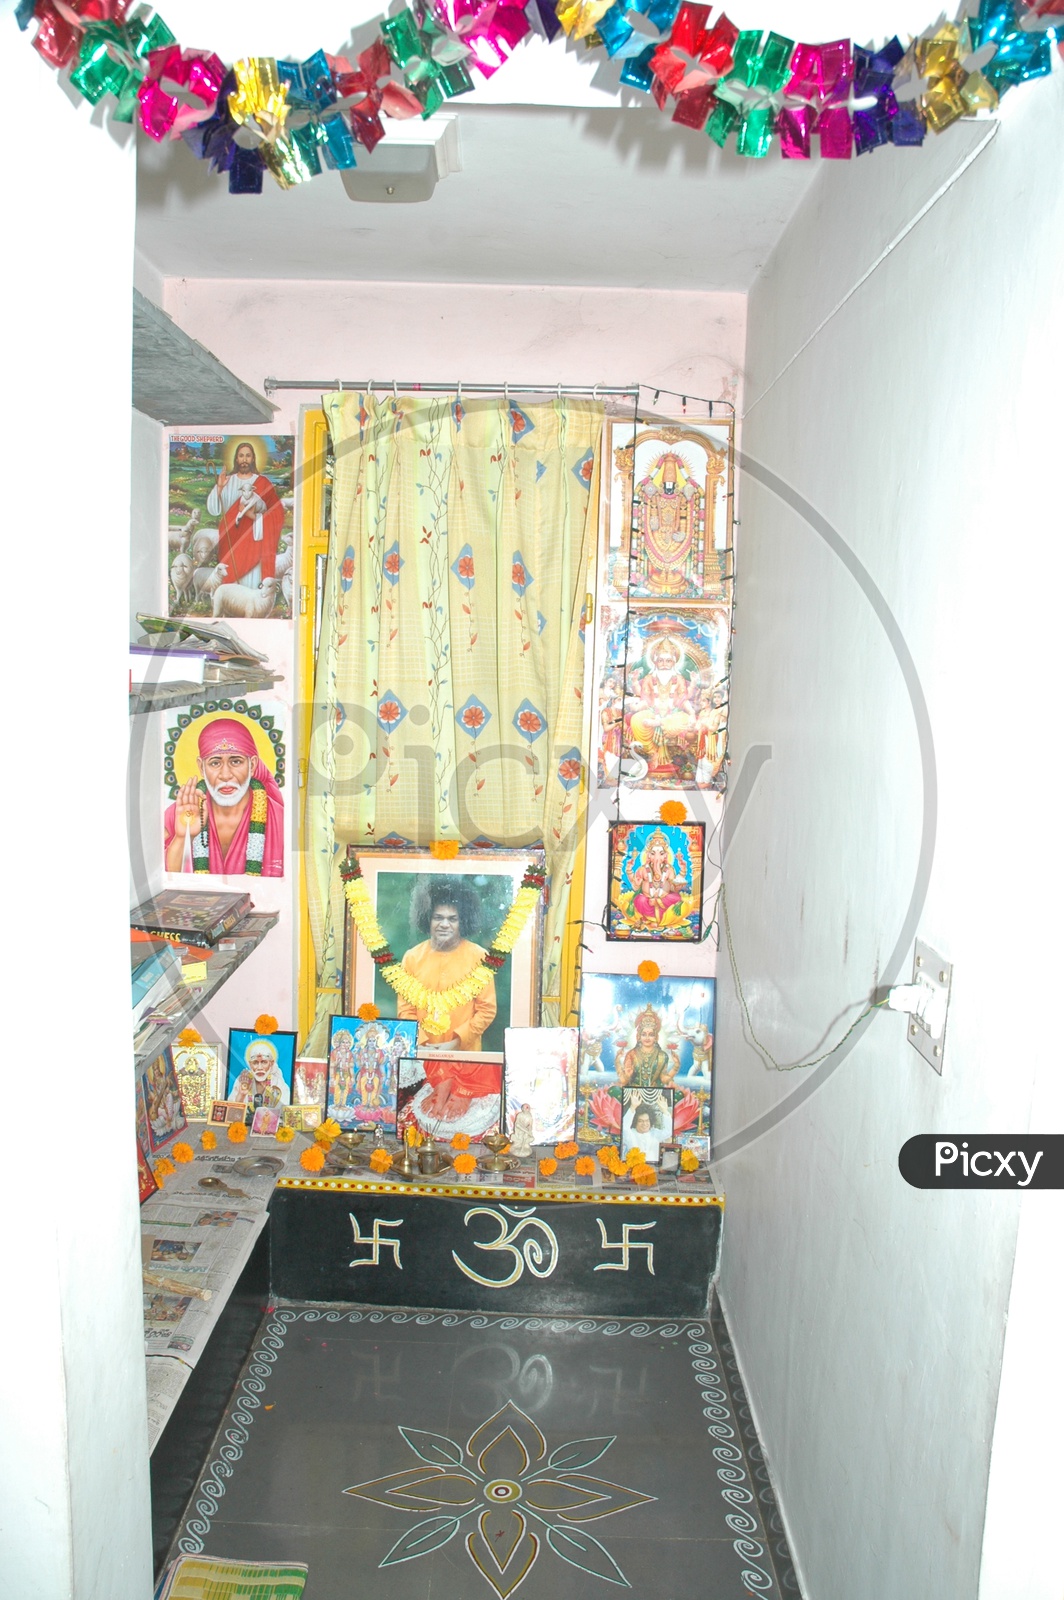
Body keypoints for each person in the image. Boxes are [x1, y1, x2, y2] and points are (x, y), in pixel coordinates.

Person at [164, 716, 285, 876]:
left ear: (252, 764)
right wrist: (182, 838)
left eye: (236, 762)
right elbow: (161, 879)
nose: (226, 775)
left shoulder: (280, 818)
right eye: (215, 763)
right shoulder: (179, 814)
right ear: (201, 767)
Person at [396, 877, 497, 1051]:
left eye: (452, 919)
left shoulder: (479, 956)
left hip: (464, 1053)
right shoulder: (412, 957)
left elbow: (486, 1010)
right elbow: (405, 1010)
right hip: (422, 1053)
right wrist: (421, 1044)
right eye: (438, 917)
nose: (444, 924)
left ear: (462, 922)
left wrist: (456, 1043)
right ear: (428, 919)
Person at [206, 441, 285, 592]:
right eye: (241, 456)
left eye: (248, 456)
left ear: (253, 458)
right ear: (236, 459)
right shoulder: (227, 482)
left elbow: (277, 514)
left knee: (250, 588)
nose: (244, 459)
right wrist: (220, 487)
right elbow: (213, 509)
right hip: (230, 541)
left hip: (254, 544)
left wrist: (254, 517)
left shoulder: (263, 483)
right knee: (229, 583)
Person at [626, 636, 696, 777]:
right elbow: (646, 700)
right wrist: (636, 708)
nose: (664, 664)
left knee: (685, 720)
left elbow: (683, 700)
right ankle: (653, 753)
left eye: (668, 661)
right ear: (655, 662)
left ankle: (660, 723)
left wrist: (692, 713)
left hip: (673, 714)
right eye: (661, 660)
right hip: (652, 712)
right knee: (636, 720)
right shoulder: (649, 678)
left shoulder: (679, 679)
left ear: (674, 662)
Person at [627, 828, 688, 926]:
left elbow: (673, 888)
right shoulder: (642, 869)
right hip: (647, 899)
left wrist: (682, 870)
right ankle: (649, 919)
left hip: (664, 898)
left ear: (665, 856)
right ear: (648, 855)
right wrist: (629, 871)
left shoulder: (669, 869)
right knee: (639, 900)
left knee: (676, 897)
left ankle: (659, 919)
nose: (657, 857)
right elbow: (636, 887)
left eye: (661, 853)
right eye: (653, 853)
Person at [616, 1006, 678, 1089]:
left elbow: (663, 1078)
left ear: (655, 1037)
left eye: (651, 1035)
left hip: (655, 1092)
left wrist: (676, 1066)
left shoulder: (662, 1056)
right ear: (639, 1037)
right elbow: (624, 1081)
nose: (647, 1038)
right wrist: (620, 1066)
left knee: (677, 1093)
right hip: (634, 1092)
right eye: (644, 1034)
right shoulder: (631, 1054)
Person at [231, 1037, 287, 1109]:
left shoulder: (278, 1083)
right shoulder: (243, 1080)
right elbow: (231, 1111)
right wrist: (241, 1094)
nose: (260, 1068)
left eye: (264, 1062)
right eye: (255, 1062)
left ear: (271, 1063)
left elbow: (285, 1111)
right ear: (250, 1064)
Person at [623, 1099, 664, 1164]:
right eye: (640, 1121)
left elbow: (668, 1132)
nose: (644, 1124)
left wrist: (665, 1111)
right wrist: (632, 1107)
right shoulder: (630, 1134)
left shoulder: (655, 1133)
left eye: (647, 1121)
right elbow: (624, 1127)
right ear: (635, 1122)